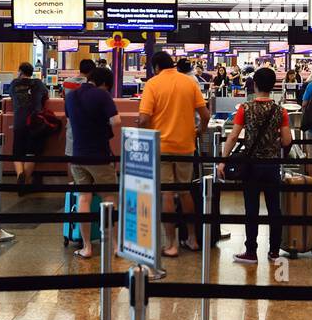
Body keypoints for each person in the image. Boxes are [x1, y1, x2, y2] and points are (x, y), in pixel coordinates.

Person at [138, 51, 210, 258]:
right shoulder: (189, 83)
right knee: (186, 191)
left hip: (161, 146)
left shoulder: (152, 84)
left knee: (167, 193)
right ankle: (192, 239)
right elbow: (205, 114)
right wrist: (199, 130)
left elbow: (144, 119)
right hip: (185, 146)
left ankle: (171, 244)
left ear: (156, 67)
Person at [219, 67, 292, 264]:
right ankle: (274, 251)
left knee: (251, 208)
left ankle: (251, 251)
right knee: (274, 208)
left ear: (255, 85)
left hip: (251, 165)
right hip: (271, 165)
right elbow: (287, 140)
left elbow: (233, 136)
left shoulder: (245, 108)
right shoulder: (280, 110)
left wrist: (223, 160)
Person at [65, 65, 121, 259]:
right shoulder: (102, 95)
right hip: (99, 155)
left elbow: (71, 119)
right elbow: (116, 121)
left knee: (84, 199)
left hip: (77, 155)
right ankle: (115, 245)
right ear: (104, 83)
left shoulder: (71, 96)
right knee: (109, 198)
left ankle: (87, 247)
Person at [10, 61, 50, 190]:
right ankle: (25, 182)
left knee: (17, 151)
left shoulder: (14, 84)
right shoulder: (38, 83)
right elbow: (46, 95)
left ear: (20, 72)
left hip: (19, 121)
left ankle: (20, 175)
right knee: (31, 153)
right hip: (34, 122)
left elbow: (11, 97)